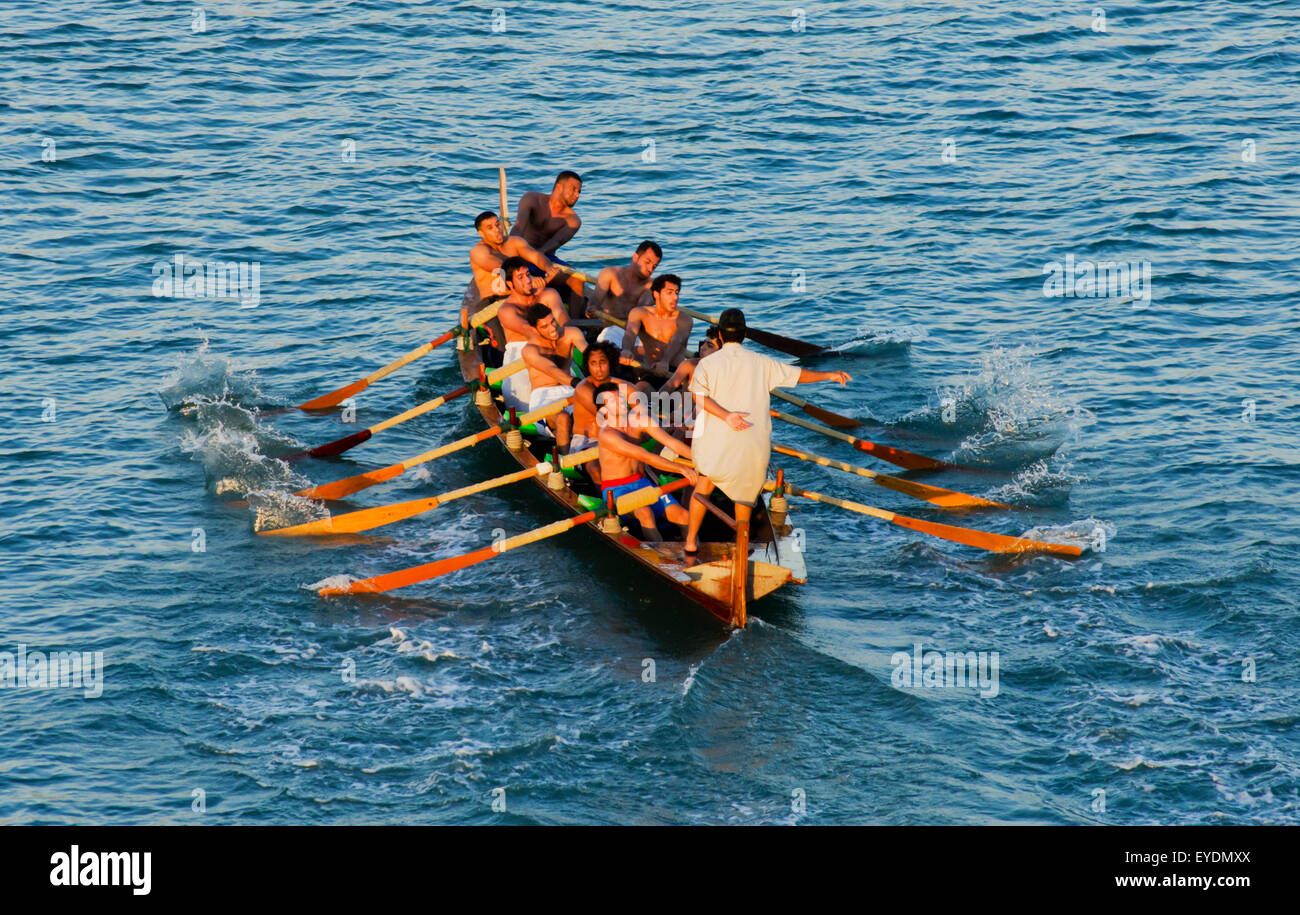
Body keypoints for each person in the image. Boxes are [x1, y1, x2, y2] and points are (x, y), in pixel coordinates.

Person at [684, 308, 851, 554]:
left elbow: (698, 397)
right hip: (752, 449)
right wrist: (829, 375)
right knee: (744, 497)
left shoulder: (707, 364)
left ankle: (689, 542)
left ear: (719, 335)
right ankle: (741, 545)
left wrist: (727, 417)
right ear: (744, 335)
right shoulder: (762, 362)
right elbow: (798, 375)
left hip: (715, 449)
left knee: (703, 486)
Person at [594, 382, 698, 542]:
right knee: (645, 513)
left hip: (641, 483)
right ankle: (660, 560)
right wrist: (682, 469)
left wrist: (700, 461)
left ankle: (694, 555)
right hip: (616, 490)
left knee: (685, 516)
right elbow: (645, 456)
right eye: (614, 401)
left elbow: (672, 443)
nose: (621, 402)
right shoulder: (607, 435)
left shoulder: (637, 419)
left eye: (620, 397)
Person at [497, 257, 571, 411]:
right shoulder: (506, 310)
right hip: (520, 354)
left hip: (551, 346)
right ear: (510, 284)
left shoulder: (548, 294)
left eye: (528, 274)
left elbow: (565, 325)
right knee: (525, 406)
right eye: (521, 277)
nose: (528, 280)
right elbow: (530, 332)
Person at [466, 211, 562, 317]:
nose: (497, 230)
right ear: (481, 233)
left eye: (498, 225)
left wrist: (548, 268)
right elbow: (501, 268)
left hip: (521, 296)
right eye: (490, 228)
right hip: (494, 302)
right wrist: (530, 279)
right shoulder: (478, 252)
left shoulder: (515, 242)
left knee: (552, 294)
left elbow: (536, 256)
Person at [511, 171, 584, 308]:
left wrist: (542, 266)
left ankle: (575, 323)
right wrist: (511, 256)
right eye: (573, 189)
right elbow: (518, 229)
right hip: (521, 255)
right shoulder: (532, 199)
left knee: (577, 279)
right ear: (558, 187)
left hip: (546, 259)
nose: (577, 195)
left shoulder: (573, 220)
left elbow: (551, 245)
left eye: (579, 191)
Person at [522, 303, 587, 452]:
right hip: (544, 398)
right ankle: (565, 464)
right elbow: (552, 370)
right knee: (563, 419)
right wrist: (578, 383)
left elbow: (588, 352)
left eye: (553, 322)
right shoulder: (530, 350)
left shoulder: (571, 333)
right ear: (534, 329)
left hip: (569, 391)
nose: (552, 329)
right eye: (545, 326)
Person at [571, 342, 636, 482]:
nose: (598, 369)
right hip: (587, 443)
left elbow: (643, 412)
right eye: (593, 363)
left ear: (610, 363)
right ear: (587, 366)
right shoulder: (583, 388)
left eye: (602, 362)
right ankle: (608, 502)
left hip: (617, 440)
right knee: (596, 468)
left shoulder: (628, 387)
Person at [620, 274, 692, 380]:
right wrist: (626, 350)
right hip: (651, 370)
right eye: (670, 293)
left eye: (677, 293)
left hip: (675, 374)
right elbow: (630, 334)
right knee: (638, 392)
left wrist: (665, 361)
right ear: (656, 294)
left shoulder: (684, 319)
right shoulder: (639, 313)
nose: (675, 297)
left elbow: (677, 340)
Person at [589, 241, 661, 326]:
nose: (650, 269)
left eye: (654, 266)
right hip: (608, 329)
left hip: (633, 332)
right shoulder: (610, 274)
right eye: (647, 262)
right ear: (635, 257)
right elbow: (596, 300)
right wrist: (592, 307)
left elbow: (642, 308)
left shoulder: (652, 286)